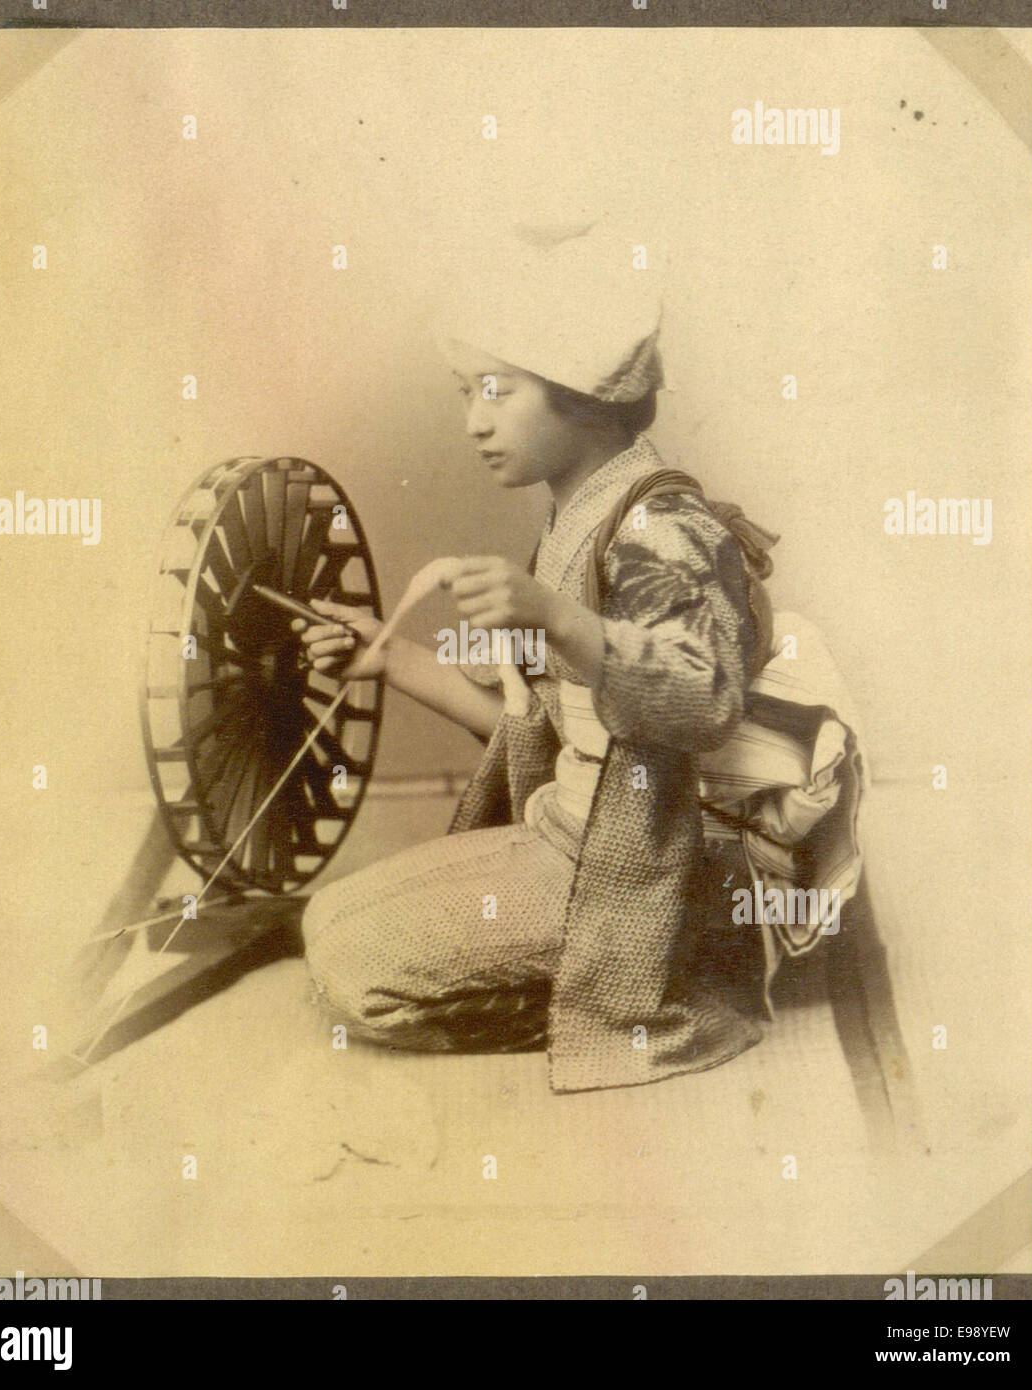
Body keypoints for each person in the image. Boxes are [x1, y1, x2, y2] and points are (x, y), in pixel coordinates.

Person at [295, 227, 781, 1093]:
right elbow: (535, 726)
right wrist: (391, 659)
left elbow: (705, 701)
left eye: (495, 390)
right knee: (327, 920)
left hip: (644, 871)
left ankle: (660, 983)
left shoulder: (662, 527)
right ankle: (615, 970)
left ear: (582, 391)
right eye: (465, 393)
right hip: (571, 834)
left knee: (358, 974)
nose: (473, 421)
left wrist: (555, 616)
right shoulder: (574, 520)